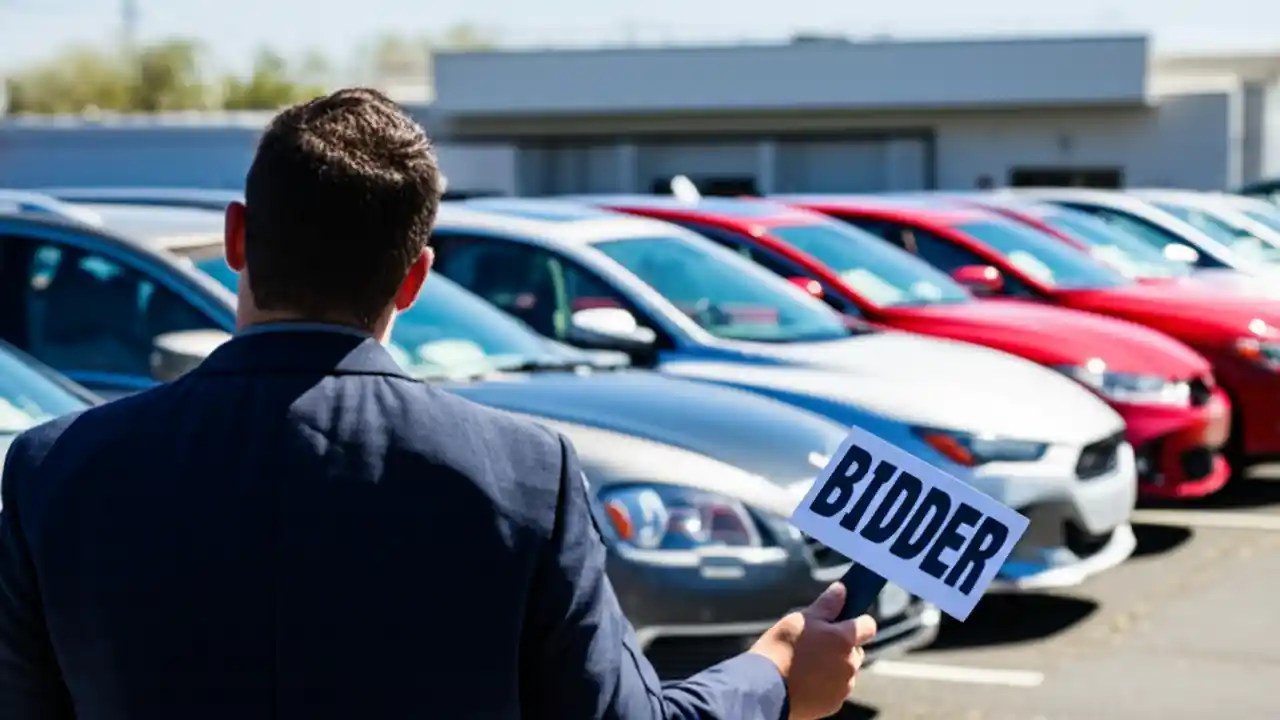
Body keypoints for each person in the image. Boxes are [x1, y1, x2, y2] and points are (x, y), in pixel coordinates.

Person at [0, 88, 877, 720]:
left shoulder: (54, 470)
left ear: (236, 239)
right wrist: (775, 674)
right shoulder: (521, 476)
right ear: (416, 278)